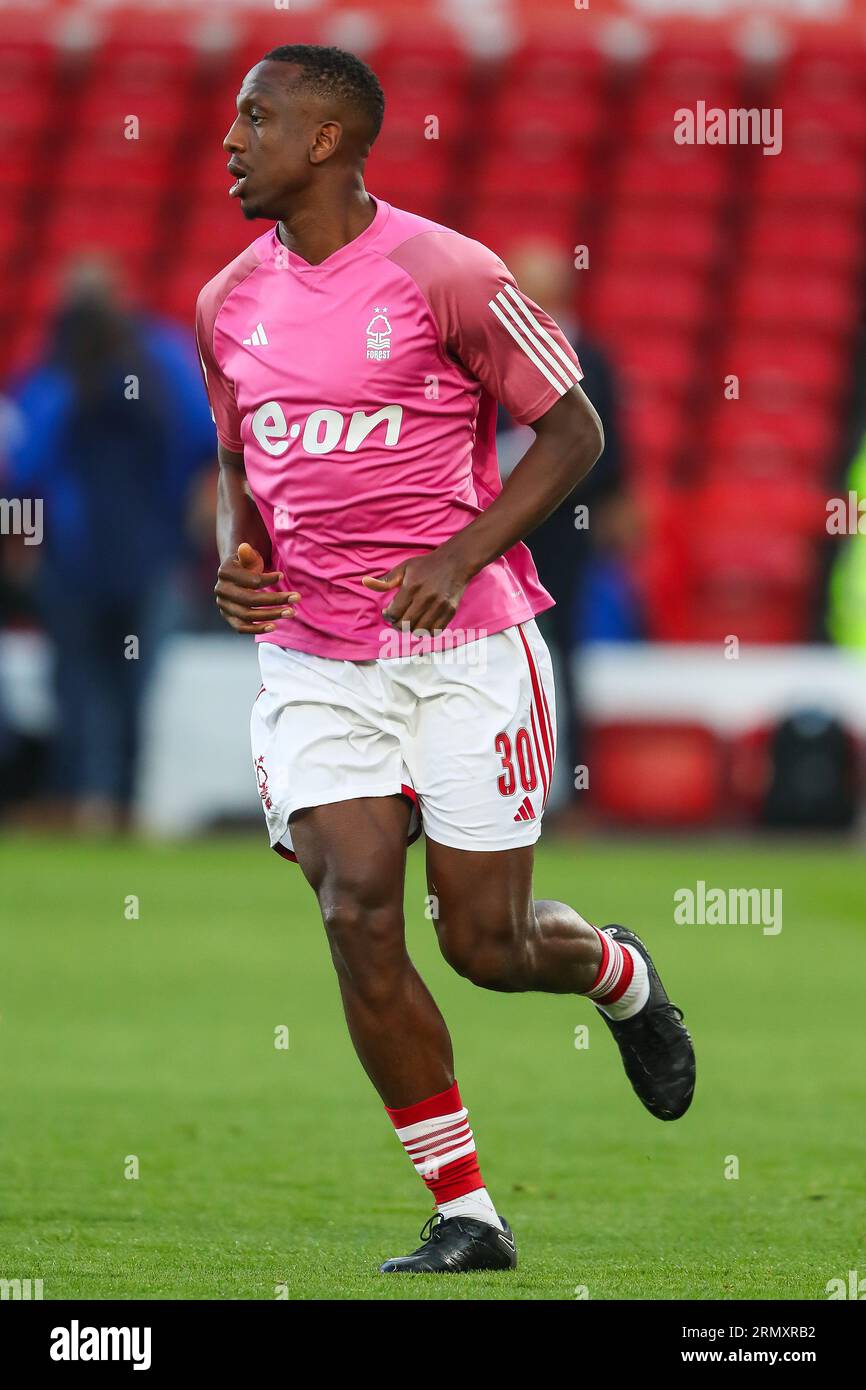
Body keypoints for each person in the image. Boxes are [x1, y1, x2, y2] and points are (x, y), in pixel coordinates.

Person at [197, 44, 695, 1275]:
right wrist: (237, 557)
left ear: (325, 141)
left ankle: (618, 972)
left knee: (486, 946)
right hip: (315, 662)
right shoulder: (224, 304)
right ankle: (465, 1208)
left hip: (467, 649)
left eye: (255, 118)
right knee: (354, 907)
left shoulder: (445, 270)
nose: (230, 137)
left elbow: (575, 428)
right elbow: (238, 470)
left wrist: (461, 552)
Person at [9, 258, 216, 830]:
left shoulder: (55, 366)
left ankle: (81, 801)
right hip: (147, 558)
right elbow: (206, 441)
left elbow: (25, 465)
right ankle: (118, 806)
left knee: (79, 684)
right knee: (127, 687)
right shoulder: (162, 355)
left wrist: (26, 540)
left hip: (78, 559)